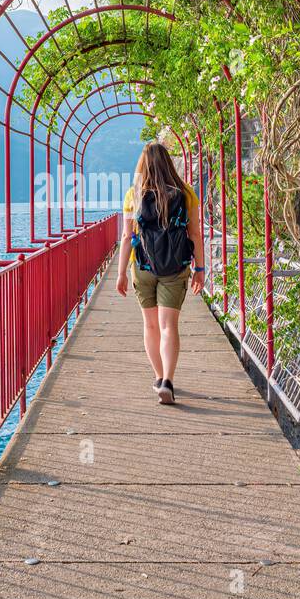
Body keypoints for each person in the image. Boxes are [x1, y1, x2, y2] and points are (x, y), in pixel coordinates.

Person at [114, 142, 205, 404]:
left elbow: (126, 236)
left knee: (151, 325)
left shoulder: (134, 194)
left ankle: (158, 376)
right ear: (169, 162)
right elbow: (195, 234)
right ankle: (168, 379)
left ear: (142, 165)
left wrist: (121, 273)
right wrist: (199, 269)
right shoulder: (186, 192)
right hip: (175, 267)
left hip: (142, 266)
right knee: (168, 326)